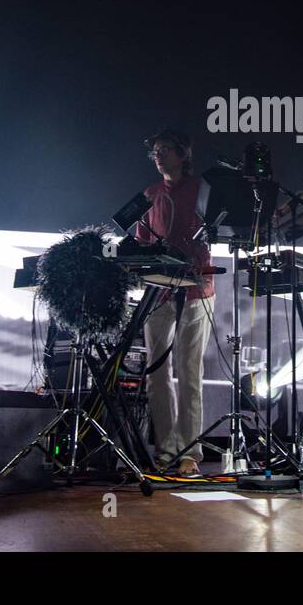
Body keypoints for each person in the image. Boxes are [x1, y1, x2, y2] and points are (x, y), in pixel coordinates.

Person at [134, 128, 215, 476]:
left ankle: (189, 453)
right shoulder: (149, 194)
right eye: (155, 150)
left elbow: (217, 229)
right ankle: (165, 450)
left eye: (166, 149)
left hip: (197, 291)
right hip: (159, 293)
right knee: (156, 374)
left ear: (183, 154)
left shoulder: (203, 189)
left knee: (189, 373)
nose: (159, 155)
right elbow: (138, 243)